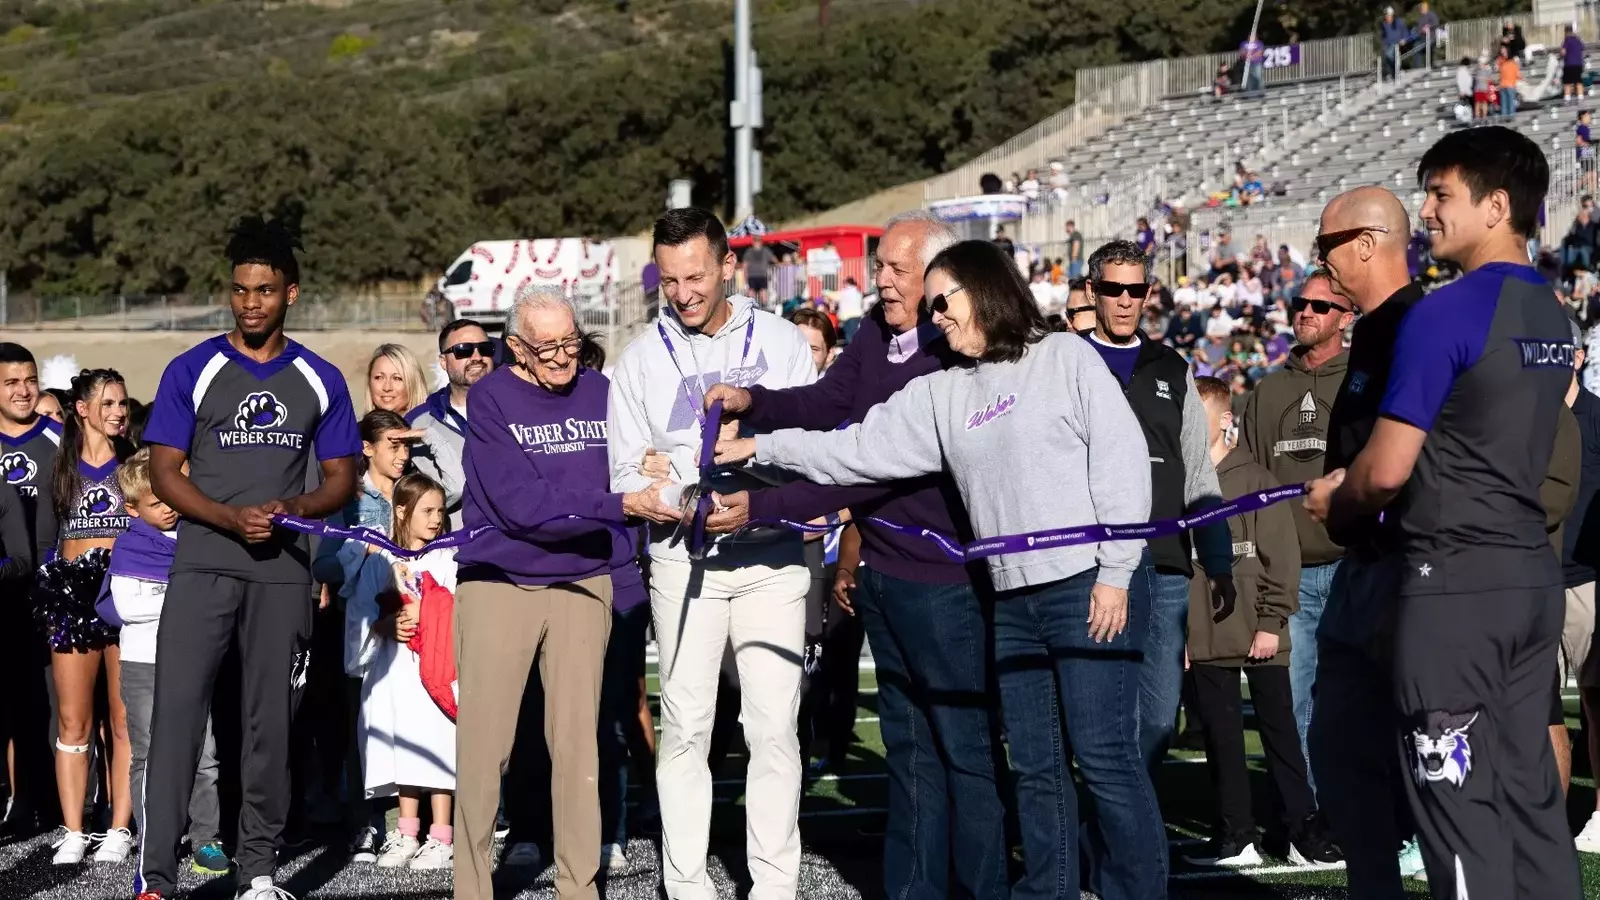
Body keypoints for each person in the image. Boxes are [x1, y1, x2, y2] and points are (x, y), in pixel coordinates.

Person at [715, 238, 1165, 900]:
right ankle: (1048, 891)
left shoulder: (1064, 355)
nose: (937, 319)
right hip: (1012, 602)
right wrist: (760, 441)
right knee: (1036, 767)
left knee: (1104, 759)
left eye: (943, 302)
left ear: (982, 290)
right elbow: (856, 451)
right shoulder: (942, 393)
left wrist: (1117, 573)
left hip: (1087, 585)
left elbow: (1122, 462)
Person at [699, 210, 1012, 900]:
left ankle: (985, 888)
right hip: (887, 572)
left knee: (963, 750)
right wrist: (754, 402)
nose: (883, 281)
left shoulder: (950, 347)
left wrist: (764, 503)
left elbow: (875, 468)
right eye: (880, 267)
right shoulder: (874, 331)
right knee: (906, 751)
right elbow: (828, 398)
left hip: (949, 580)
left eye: (898, 270)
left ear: (938, 277)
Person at [1311, 127, 1584, 898]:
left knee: (1458, 816)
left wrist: (1340, 497)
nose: (1425, 211)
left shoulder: (1446, 312)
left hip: (1453, 585)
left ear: (1497, 206)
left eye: (1440, 194)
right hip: (1529, 579)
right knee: (1532, 809)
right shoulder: (1549, 310)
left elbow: (1387, 470)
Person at [135, 216, 361, 900]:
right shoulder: (191, 369)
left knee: (270, 724)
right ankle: (156, 878)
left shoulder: (319, 379)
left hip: (283, 571)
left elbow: (342, 479)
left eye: (264, 290)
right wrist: (230, 517)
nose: (250, 302)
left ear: (291, 293)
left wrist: (290, 511)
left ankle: (257, 869)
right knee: (177, 715)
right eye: (239, 290)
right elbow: (166, 471)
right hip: (203, 563)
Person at [608, 207, 818, 900]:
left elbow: (809, 446)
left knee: (773, 728)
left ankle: (774, 886)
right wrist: (668, 496)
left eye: (695, 276)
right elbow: (624, 477)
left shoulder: (785, 343)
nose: (683, 293)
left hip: (772, 558)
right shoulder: (639, 360)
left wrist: (755, 491)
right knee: (687, 728)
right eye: (669, 280)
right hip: (682, 561)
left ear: (729, 266)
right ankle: (687, 884)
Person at [453, 285, 671, 900]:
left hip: (583, 582)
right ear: (515, 347)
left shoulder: (603, 392)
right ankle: (471, 889)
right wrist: (616, 503)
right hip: (500, 582)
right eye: (545, 346)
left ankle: (580, 886)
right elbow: (523, 507)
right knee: (485, 751)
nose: (560, 356)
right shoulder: (492, 398)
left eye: (569, 341)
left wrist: (655, 469)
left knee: (579, 750)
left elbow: (638, 466)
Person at [1304, 184, 1428, 896]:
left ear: (1366, 242)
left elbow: (1401, 463)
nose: (1318, 262)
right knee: (1341, 747)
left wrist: (1345, 490)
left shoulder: (1419, 325)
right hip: (1362, 569)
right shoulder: (1373, 330)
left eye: (1326, 245)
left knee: (1431, 759)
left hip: (1410, 572)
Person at [1081, 239, 1233, 769]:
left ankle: (1118, 840)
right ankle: (1101, 844)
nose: (1125, 300)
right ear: (1090, 291)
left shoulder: (1172, 367)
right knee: (1095, 720)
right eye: (1112, 289)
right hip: (1087, 568)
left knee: (1159, 719)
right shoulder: (1063, 362)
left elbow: (1197, 470)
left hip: (1166, 567)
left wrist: (1217, 559)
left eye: (1136, 289)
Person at [1182, 376, 1340, 869]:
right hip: (1204, 636)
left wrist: (1271, 621)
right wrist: (1182, 633)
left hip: (1259, 633)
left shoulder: (1256, 481)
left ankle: (1301, 833)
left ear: (1224, 419)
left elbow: (1282, 557)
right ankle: (1236, 834)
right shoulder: (1179, 485)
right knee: (1220, 739)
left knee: (1281, 736)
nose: (1187, 423)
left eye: (1198, 413)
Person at [1241, 272, 1354, 781]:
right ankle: (1310, 814)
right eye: (1299, 303)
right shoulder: (1267, 391)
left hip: (1357, 568)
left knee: (1363, 698)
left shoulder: (1365, 382)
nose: (1306, 312)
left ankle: (1368, 809)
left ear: (1346, 318)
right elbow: (1250, 485)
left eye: (1320, 306)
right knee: (1295, 702)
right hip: (1293, 577)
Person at [103, 449, 230, 877]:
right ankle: (155, 836)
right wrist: (182, 600)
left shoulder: (196, 537)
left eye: (170, 499)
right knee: (149, 754)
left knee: (204, 754)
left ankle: (207, 840)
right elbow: (127, 605)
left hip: (192, 660)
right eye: (156, 504)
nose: (168, 509)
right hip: (143, 663)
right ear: (133, 508)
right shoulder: (132, 545)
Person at [34, 367, 134, 865]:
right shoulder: (59, 466)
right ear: (84, 408)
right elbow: (46, 543)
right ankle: (73, 829)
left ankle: (119, 827)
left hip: (126, 595)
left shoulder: (135, 465)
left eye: (123, 404)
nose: (118, 412)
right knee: (74, 719)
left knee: (123, 718)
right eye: (109, 403)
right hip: (71, 598)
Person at [347, 471, 457, 871]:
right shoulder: (381, 558)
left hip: (436, 669)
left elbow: (459, 607)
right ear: (401, 510)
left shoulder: (448, 557)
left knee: (439, 743)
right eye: (426, 510)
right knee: (404, 743)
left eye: (440, 511)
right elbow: (361, 613)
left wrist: (430, 612)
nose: (435, 519)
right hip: (395, 670)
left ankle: (441, 836)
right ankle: (407, 831)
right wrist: (383, 625)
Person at [0, 342, 59, 836]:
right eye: (10, 382)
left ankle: (39, 802)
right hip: (3, 595)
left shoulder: (62, 441)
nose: (23, 391)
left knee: (43, 705)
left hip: (52, 597)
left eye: (29, 379)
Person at [1565, 317, 1600, 853]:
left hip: (1590, 582)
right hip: (1527, 580)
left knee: (1598, 703)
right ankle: (1541, 815)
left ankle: (1599, 814)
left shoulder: (1598, 417)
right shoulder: (1517, 423)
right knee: (1533, 711)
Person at [407, 318, 494, 529]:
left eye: (484, 348)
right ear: (443, 362)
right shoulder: (416, 422)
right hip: (449, 552)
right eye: (463, 350)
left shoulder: (519, 411)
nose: (477, 357)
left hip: (514, 551)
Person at [364, 342, 429, 416]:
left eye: (397, 378)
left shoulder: (431, 427)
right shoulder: (355, 427)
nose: (387, 388)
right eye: (379, 377)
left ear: (413, 383)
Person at [744, 235, 778, 307]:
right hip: (756, 274)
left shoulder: (750, 251)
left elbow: (745, 264)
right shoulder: (751, 251)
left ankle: (754, 306)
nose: (757, 243)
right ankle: (762, 306)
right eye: (756, 241)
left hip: (757, 274)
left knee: (758, 291)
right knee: (756, 291)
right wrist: (777, 263)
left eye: (758, 241)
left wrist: (745, 274)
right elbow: (774, 259)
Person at [1562, 24, 1585, 102]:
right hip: (1578, 64)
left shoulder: (1567, 40)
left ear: (1566, 32)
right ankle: (1580, 97)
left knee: (1567, 82)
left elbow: (1563, 52)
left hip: (1569, 64)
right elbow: (1582, 49)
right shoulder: (1578, 40)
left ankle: (1567, 98)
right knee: (1578, 81)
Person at [1497, 44, 1520, 119]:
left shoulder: (1512, 62)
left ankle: (1510, 118)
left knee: (1509, 103)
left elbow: (1517, 73)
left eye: (1503, 49)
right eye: (1501, 49)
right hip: (1504, 85)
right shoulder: (1501, 61)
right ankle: (1506, 118)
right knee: (1504, 103)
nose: (1502, 51)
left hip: (1509, 85)